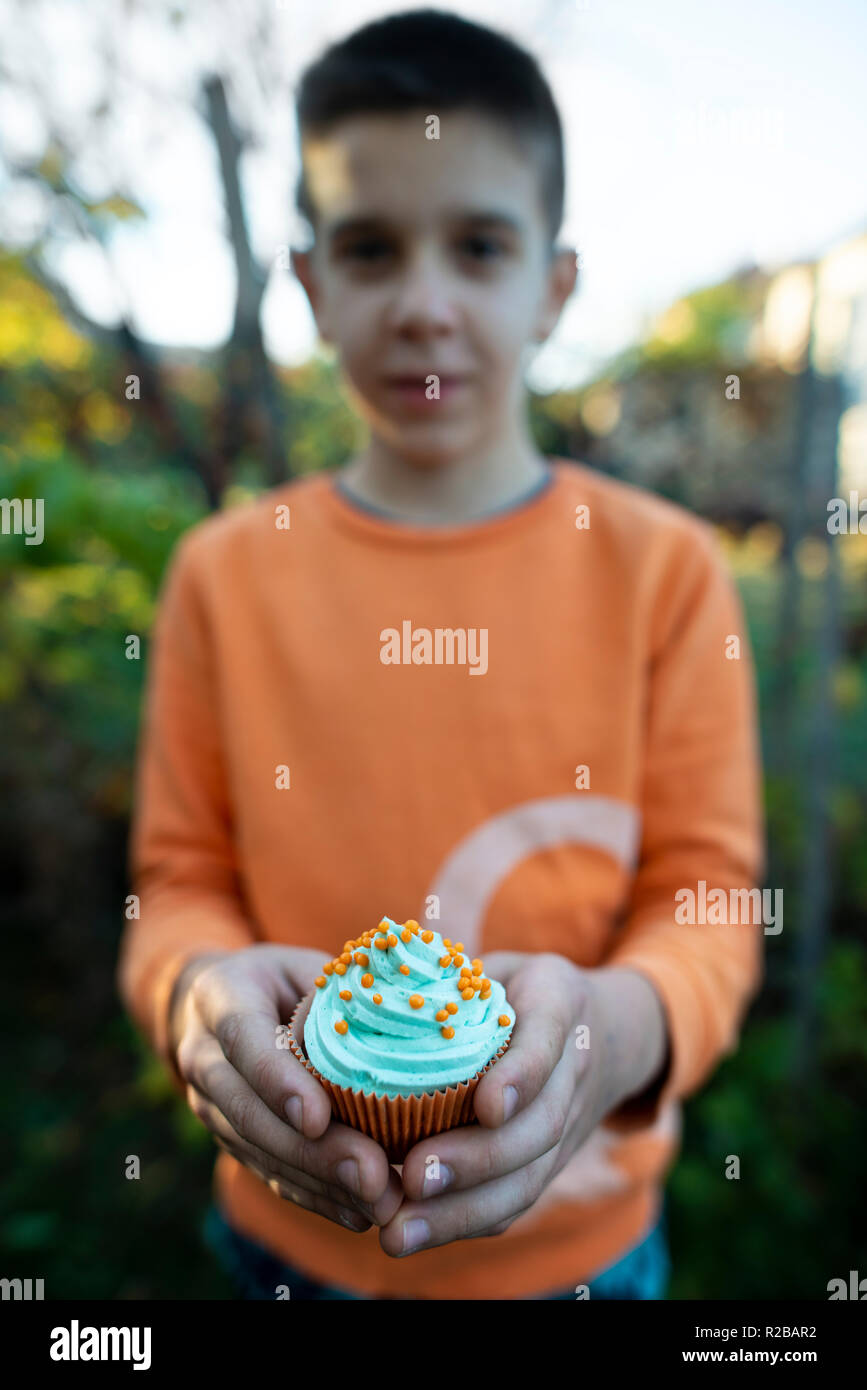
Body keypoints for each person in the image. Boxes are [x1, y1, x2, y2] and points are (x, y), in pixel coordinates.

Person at [117, 7, 765, 1301]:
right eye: (369, 249)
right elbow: (177, 880)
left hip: (583, 1260)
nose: (423, 305)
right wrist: (196, 999)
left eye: (479, 245)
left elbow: (709, 896)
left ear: (555, 285)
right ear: (308, 284)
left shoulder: (669, 572)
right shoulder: (223, 574)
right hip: (285, 1249)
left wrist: (624, 1027)